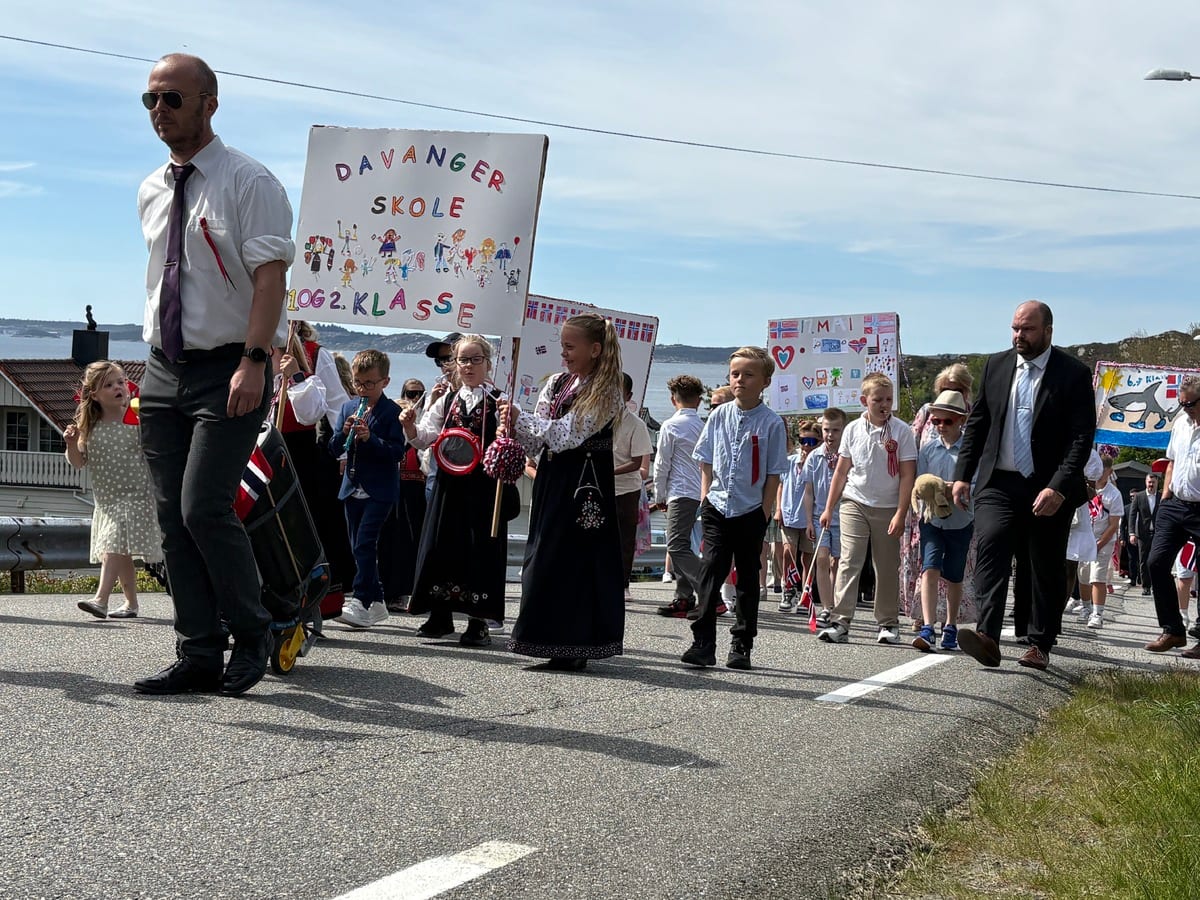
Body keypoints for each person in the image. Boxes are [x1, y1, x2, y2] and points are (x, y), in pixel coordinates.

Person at [134, 52, 295, 696]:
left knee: (204, 506)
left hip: (231, 365)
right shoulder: (151, 188)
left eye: (172, 98)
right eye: (150, 99)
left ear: (210, 103)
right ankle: (198, 652)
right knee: (172, 519)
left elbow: (270, 281)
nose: (160, 110)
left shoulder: (249, 182)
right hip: (163, 366)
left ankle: (255, 633)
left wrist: (255, 361)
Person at [952, 301, 1095, 671]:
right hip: (999, 482)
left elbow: (1081, 437)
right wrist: (962, 474)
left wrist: (1059, 486)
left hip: (1048, 486)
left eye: (1027, 329)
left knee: (1044, 564)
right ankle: (987, 636)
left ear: (1048, 330)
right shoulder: (996, 366)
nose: (1019, 336)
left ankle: (1039, 643)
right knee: (991, 543)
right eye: (1015, 328)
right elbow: (978, 423)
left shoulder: (1073, 374)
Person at [502, 313, 626, 670]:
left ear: (595, 349)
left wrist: (522, 419)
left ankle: (575, 645)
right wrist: (511, 423)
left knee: (576, 561)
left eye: (570, 347)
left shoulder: (606, 391)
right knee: (545, 556)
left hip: (584, 486)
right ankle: (549, 640)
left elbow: (565, 435)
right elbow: (538, 437)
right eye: (562, 346)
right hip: (553, 478)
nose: (563, 353)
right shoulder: (557, 383)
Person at [681, 347, 788, 670]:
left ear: (765, 382)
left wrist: (764, 512)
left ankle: (742, 643)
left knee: (747, 577)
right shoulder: (719, 415)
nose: (740, 380)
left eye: (748, 374)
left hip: (750, 509)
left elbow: (773, 473)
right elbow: (705, 459)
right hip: (717, 505)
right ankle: (703, 642)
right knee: (710, 570)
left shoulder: (772, 423)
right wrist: (705, 498)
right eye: (735, 374)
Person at [402, 336, 508, 646]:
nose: (469, 366)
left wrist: (507, 430)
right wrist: (409, 426)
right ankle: (440, 615)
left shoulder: (499, 400)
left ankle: (478, 621)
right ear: (455, 364)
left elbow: (514, 439)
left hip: (484, 486)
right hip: (449, 483)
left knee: (480, 549)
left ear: (488, 364)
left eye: (476, 360)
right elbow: (425, 437)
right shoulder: (446, 401)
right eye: (463, 360)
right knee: (441, 545)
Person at [816, 373, 918, 645]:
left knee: (886, 565)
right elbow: (841, 471)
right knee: (849, 559)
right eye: (878, 400)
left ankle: (888, 622)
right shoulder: (852, 429)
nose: (884, 405)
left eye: (889, 399)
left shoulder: (902, 431)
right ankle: (840, 621)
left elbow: (907, 474)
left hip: (888, 506)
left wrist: (901, 512)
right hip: (855, 501)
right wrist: (828, 508)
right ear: (865, 401)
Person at [64, 362, 164, 619]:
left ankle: (101, 600)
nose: (118, 387)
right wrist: (72, 444)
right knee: (121, 552)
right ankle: (131, 604)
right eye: (108, 385)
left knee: (113, 544)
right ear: (94, 394)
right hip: (108, 500)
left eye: (120, 382)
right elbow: (78, 462)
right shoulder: (89, 427)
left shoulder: (136, 419)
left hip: (136, 495)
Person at [277, 321, 355, 623]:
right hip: (258, 446)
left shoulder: (314, 353)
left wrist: (345, 451)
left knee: (306, 526)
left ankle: (315, 600)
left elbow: (336, 405)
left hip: (299, 451)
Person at [330, 350, 407, 628]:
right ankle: (377, 600)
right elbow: (334, 448)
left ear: (385, 382)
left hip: (379, 490)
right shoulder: (348, 408)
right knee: (356, 547)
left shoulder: (392, 412)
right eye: (358, 383)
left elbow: (397, 452)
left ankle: (361, 600)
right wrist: (344, 433)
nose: (362, 389)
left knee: (365, 543)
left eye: (369, 384)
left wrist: (370, 438)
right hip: (352, 487)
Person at [900, 363, 977, 629]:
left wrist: (955, 487)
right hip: (928, 507)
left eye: (957, 389)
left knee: (956, 569)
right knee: (927, 563)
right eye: (945, 388)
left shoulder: (974, 417)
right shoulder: (926, 413)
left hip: (962, 512)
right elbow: (913, 450)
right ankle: (925, 618)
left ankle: (952, 621)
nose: (950, 392)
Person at [1142, 374, 1200, 657]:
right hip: (1175, 503)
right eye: (1182, 404)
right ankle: (1173, 629)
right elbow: (1172, 461)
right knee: (1156, 562)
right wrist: (1165, 496)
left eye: (1190, 404)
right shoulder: (1180, 423)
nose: (1185, 409)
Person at [911, 390, 974, 652]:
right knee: (930, 568)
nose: (940, 426)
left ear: (961, 420)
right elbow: (920, 481)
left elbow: (977, 484)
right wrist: (929, 491)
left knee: (954, 575)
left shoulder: (970, 451)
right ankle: (928, 626)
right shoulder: (928, 449)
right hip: (932, 520)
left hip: (961, 521)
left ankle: (950, 624)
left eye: (947, 421)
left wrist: (953, 489)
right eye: (936, 421)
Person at [653, 375, 705, 617]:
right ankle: (683, 597)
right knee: (684, 544)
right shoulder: (703, 426)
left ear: (673, 399)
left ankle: (709, 592)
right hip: (700, 491)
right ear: (699, 400)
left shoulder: (670, 426)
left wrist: (659, 494)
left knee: (675, 545)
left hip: (680, 491)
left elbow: (662, 463)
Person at [380, 378, 428, 612]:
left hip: (415, 489)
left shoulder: (422, 424)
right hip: (393, 486)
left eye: (419, 393)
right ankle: (389, 591)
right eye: (411, 393)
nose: (415, 397)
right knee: (389, 540)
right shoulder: (394, 420)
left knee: (412, 541)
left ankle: (409, 590)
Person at [802, 407, 846, 628]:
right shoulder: (814, 457)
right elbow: (808, 491)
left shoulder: (848, 456)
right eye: (827, 430)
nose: (830, 435)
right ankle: (826, 607)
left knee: (838, 562)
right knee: (821, 558)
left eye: (836, 430)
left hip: (843, 517)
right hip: (820, 517)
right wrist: (809, 520)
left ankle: (837, 605)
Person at [612, 373, 653, 601]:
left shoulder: (636, 424)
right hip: (599, 487)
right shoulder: (594, 420)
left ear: (628, 396)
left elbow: (637, 462)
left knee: (624, 539)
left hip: (626, 489)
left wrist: (608, 472)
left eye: (618, 393)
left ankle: (623, 583)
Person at [1076, 456, 1123, 629]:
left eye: (1104, 470)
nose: (1100, 473)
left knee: (1097, 576)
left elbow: (1114, 524)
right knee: (1083, 575)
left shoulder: (1113, 494)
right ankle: (1086, 607)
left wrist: (1099, 544)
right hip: (1084, 537)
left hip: (1103, 540)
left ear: (1110, 471)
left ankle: (1097, 614)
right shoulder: (1086, 488)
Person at [1128, 473, 1161, 596]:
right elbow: (1132, 515)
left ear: (1157, 483)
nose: (1151, 485)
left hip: (1158, 534)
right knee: (1144, 560)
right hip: (1143, 534)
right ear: (1145, 482)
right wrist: (1132, 533)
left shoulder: (1162, 497)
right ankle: (1146, 586)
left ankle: (1157, 585)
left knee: (1157, 560)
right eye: (1149, 482)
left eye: (1153, 482)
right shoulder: (1139, 496)